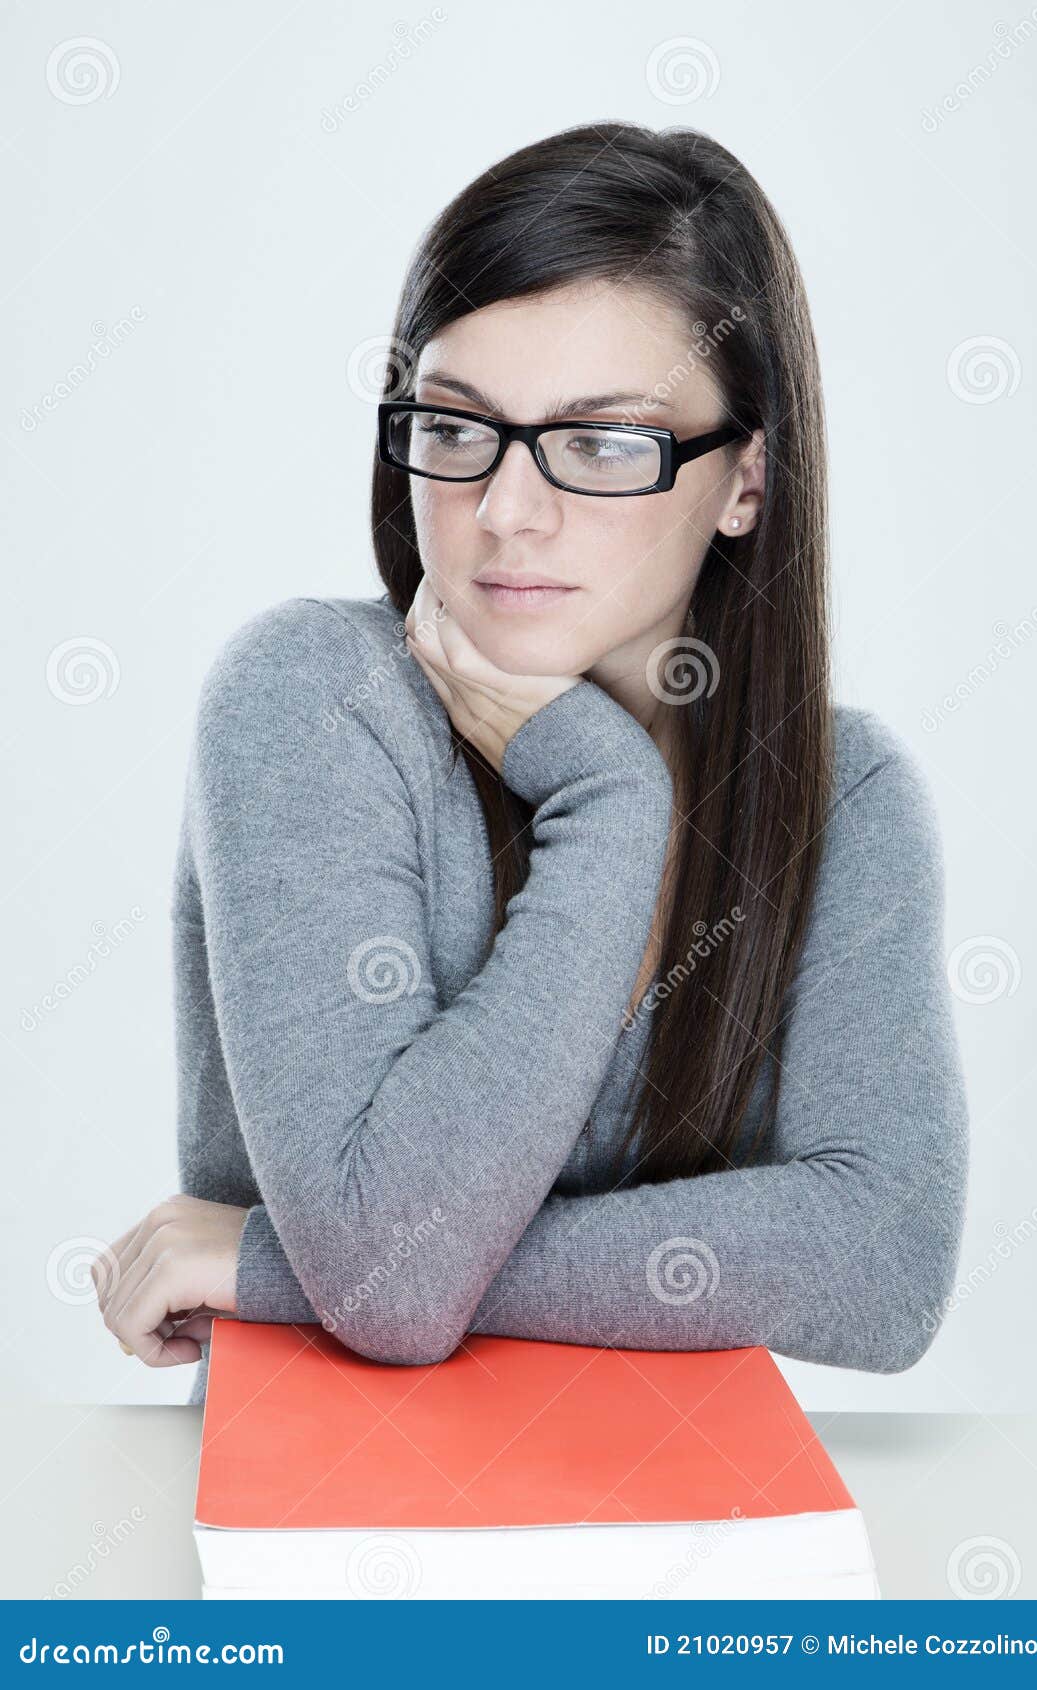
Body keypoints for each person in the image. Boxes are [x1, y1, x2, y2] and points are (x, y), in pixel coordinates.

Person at [91, 122, 969, 1403]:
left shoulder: (841, 793)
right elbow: (390, 1289)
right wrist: (609, 800)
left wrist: (280, 1269)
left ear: (744, 479)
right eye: (456, 426)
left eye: (602, 442)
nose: (505, 509)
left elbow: (883, 1265)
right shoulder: (313, 701)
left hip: (683, 1530)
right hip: (318, 1524)